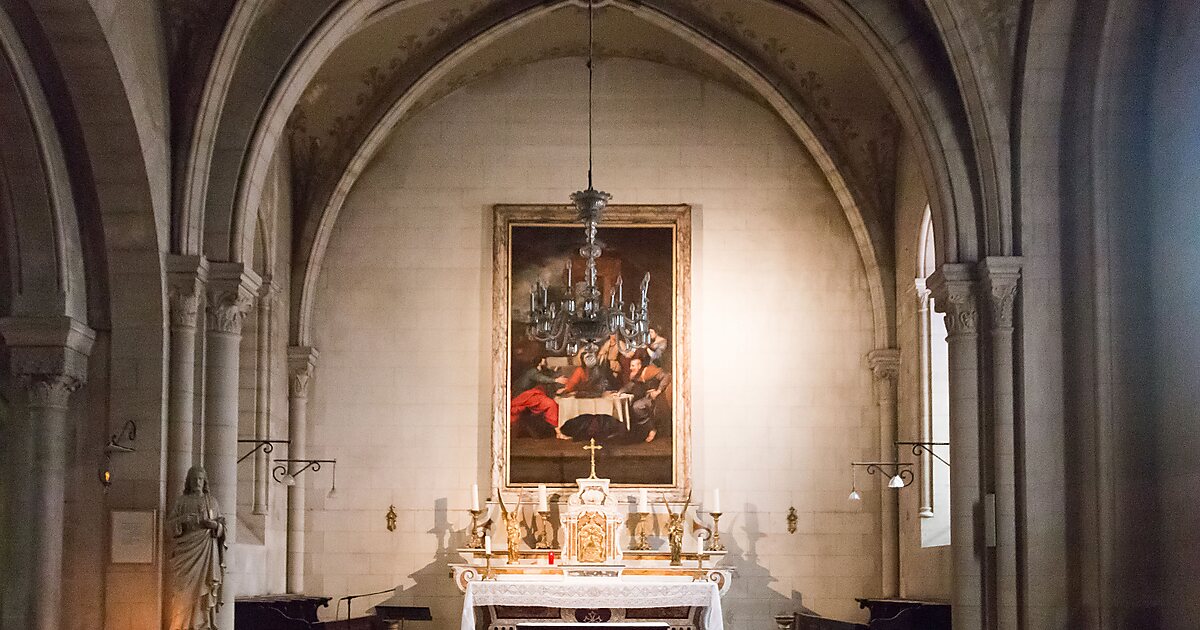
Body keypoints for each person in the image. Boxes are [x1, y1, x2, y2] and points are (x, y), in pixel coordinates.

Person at [167, 466, 226, 630]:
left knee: (204, 589)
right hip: (186, 553)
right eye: (194, 479)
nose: (197, 482)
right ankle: (181, 625)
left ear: (204, 481)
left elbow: (223, 527)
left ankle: (202, 624)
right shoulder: (181, 501)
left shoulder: (212, 501)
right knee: (182, 591)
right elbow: (169, 526)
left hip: (206, 551)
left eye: (200, 479)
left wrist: (215, 526)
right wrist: (183, 519)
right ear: (189, 481)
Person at [510, 357, 569, 439]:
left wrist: (556, 374)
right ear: (540, 362)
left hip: (531, 395)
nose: (546, 362)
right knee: (551, 404)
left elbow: (547, 375)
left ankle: (558, 432)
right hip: (523, 397)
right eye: (544, 360)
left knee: (550, 404)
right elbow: (542, 378)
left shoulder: (540, 370)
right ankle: (558, 433)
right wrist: (556, 380)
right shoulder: (532, 372)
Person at [619, 353, 671, 442]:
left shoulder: (649, 370)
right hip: (647, 397)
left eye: (633, 366)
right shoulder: (636, 375)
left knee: (638, 406)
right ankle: (651, 428)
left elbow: (667, 376)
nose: (630, 368)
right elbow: (630, 386)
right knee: (635, 406)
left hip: (658, 398)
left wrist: (658, 391)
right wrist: (620, 392)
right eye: (631, 366)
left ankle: (653, 429)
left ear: (639, 366)